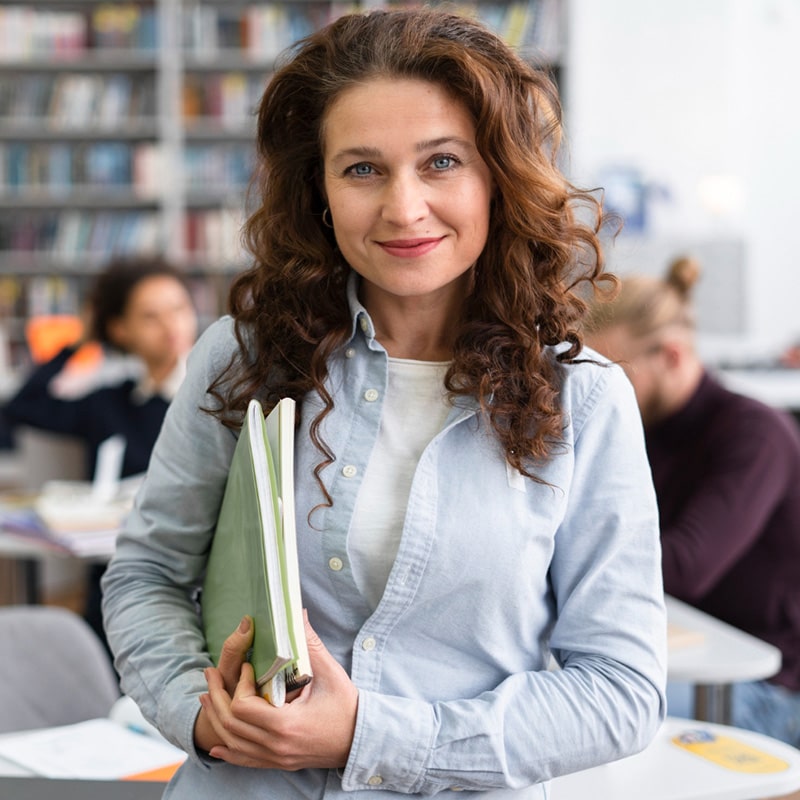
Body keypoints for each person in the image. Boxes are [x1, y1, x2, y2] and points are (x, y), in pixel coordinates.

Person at [101, 9, 666, 798]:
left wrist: (371, 735)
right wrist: (199, 711)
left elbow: (620, 692)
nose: (403, 208)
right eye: (362, 169)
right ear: (321, 192)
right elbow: (147, 576)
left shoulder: (589, 400)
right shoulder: (243, 357)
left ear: (497, 177)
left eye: (441, 162)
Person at [583, 255, 800, 747]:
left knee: (596, 723)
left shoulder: (755, 436)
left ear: (673, 357)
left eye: (614, 375)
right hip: (677, 655)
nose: (597, 392)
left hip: (767, 687)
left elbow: (683, 566)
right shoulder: (642, 427)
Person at [4, 255, 198, 638]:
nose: (170, 325)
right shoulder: (109, 403)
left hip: (187, 584)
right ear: (120, 330)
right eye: (149, 316)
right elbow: (22, 407)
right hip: (113, 582)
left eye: (179, 308)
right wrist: (80, 340)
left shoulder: (212, 399)